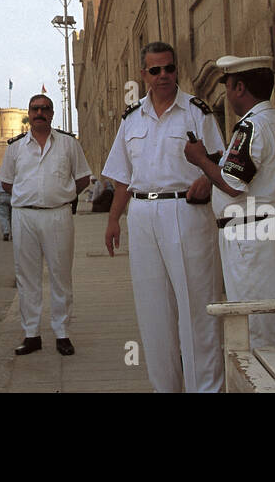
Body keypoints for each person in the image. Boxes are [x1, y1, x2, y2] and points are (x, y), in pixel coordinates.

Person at [101, 41, 227, 393]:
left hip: (185, 212)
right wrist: (114, 219)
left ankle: (206, 388)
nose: (163, 76)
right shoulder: (131, 119)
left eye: (168, 68)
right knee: (153, 311)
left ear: (176, 70)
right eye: (154, 70)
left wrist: (205, 179)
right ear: (144, 75)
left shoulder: (196, 112)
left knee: (196, 309)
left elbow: (220, 163)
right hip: (141, 214)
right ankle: (165, 387)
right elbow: (122, 177)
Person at [188, 55, 275, 349]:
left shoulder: (250, 127)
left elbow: (233, 185)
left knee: (258, 325)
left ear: (239, 88)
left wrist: (200, 160)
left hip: (254, 237)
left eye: (229, 85)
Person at [0, 93, 92, 356]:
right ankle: (31, 334)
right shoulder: (15, 148)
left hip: (58, 215)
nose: (39, 113)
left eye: (45, 109)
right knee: (27, 277)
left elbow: (83, 178)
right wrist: (29, 195)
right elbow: (6, 182)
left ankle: (62, 333)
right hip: (24, 216)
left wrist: (61, 194)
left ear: (51, 114)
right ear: (28, 114)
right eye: (35, 108)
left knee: (60, 275)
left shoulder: (67, 144)